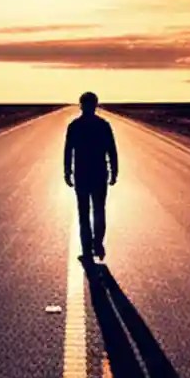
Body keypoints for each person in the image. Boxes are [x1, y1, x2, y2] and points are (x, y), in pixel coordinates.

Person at [64, 91, 119, 261]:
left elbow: (68, 152)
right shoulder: (102, 125)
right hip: (97, 174)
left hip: (84, 174)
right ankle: (96, 244)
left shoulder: (75, 126)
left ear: (81, 105)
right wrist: (114, 171)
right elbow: (112, 151)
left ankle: (88, 248)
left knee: (85, 212)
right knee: (98, 210)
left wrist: (67, 171)